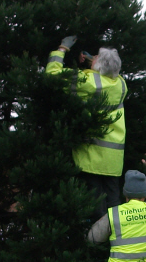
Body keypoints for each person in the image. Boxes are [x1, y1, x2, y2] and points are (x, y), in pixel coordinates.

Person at [47, 36, 127, 220]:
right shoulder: (121, 84)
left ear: (99, 67)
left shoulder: (88, 82)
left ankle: (97, 245)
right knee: (114, 210)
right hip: (113, 161)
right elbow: (107, 70)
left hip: (91, 158)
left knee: (96, 212)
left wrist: (62, 50)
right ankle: (116, 244)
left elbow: (53, 75)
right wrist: (92, 60)